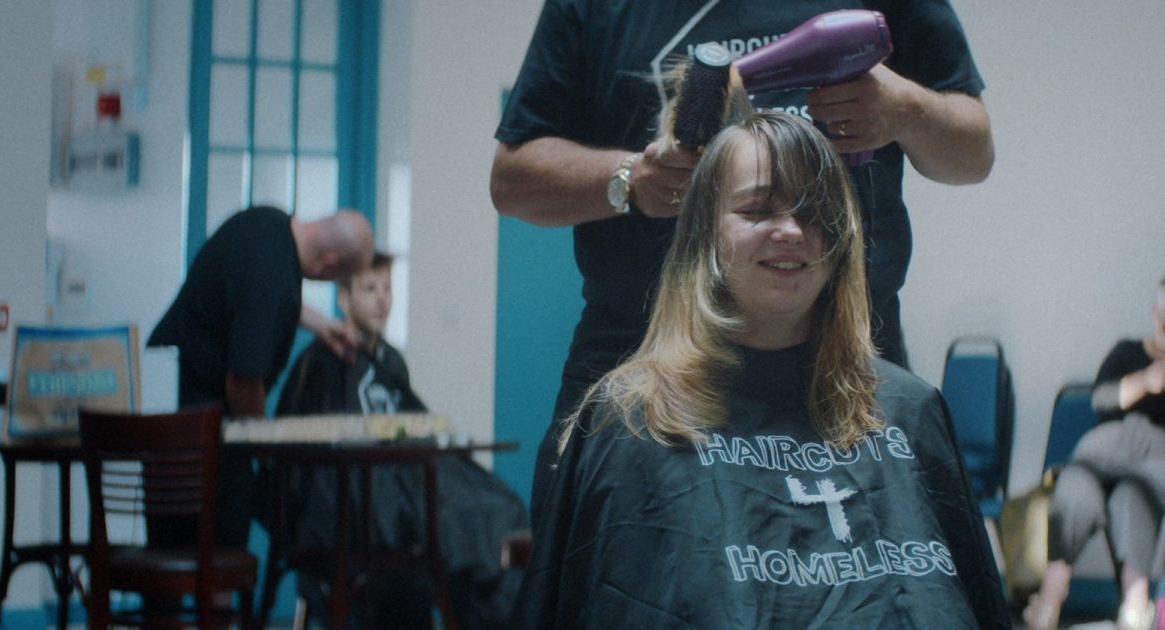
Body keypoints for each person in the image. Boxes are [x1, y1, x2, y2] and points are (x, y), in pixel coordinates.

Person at [490, 0, 995, 525]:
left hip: (845, 371)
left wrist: (907, 110)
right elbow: (511, 180)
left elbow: (974, 153)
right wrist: (630, 179)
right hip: (641, 370)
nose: (786, 229)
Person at [511, 111, 1008, 628]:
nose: (791, 230)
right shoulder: (630, 419)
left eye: (814, 210)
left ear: (841, 239)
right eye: (757, 209)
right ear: (705, 233)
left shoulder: (910, 411)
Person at [269, 252, 529, 630]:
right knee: (439, 522)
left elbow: (415, 425)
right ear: (343, 298)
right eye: (369, 289)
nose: (381, 299)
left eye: (386, 289)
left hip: (402, 487)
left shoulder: (390, 362)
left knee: (499, 507)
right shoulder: (322, 361)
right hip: (354, 503)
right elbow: (309, 461)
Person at [146, 205, 374, 548]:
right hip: (205, 436)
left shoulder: (266, 223)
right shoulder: (274, 279)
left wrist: (323, 325)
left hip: (165, 426)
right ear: (329, 262)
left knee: (169, 555)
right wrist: (266, 447)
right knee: (217, 556)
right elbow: (242, 383)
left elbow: (255, 297)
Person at [1023, 279, 1165, 630]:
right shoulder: (1127, 352)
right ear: (1154, 314)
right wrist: (1146, 381)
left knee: (1132, 498)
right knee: (1074, 487)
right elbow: (1101, 398)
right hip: (1107, 450)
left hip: (1154, 460)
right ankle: (1050, 598)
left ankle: (1136, 604)